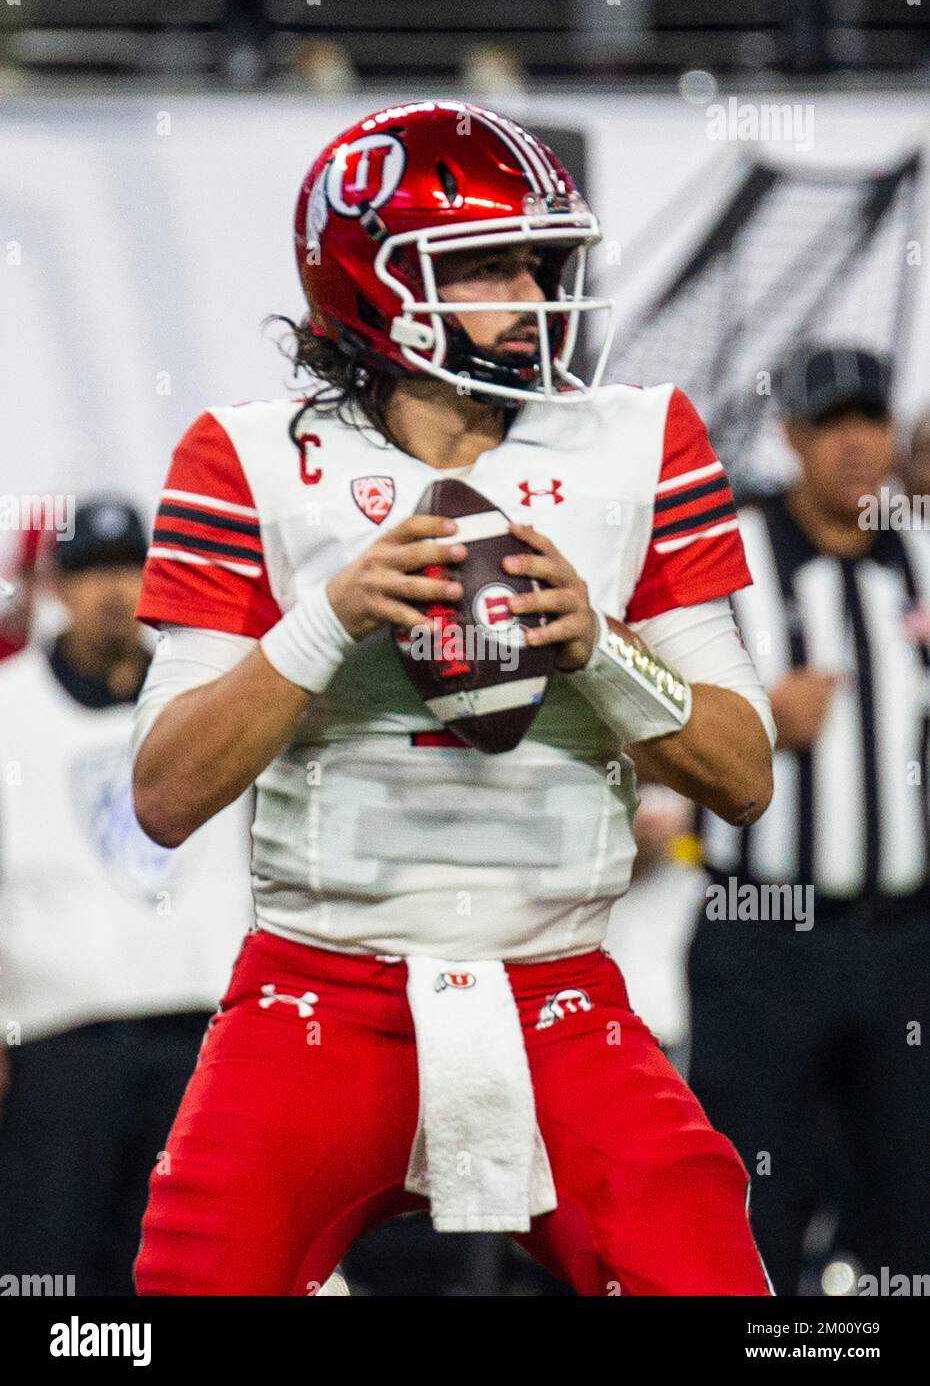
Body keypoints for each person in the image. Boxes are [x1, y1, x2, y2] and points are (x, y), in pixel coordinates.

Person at [130, 101, 776, 1297]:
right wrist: (326, 616)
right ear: (374, 282)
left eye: (540, 259)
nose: (531, 293)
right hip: (317, 990)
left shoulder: (635, 441)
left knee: (722, 1293)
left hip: (561, 987)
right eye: (489, 263)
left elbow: (744, 777)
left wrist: (600, 644)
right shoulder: (253, 459)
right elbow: (163, 795)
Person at [689, 342, 930, 1295]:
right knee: (751, 1208)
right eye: (829, 423)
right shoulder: (725, 554)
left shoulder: (917, 545)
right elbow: (631, 703)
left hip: (904, 941)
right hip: (763, 944)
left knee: (912, 1213)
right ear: (787, 435)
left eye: (869, 418)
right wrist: (751, 719)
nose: (855, 444)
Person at [0, 498, 253, 1295]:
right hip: (58, 1039)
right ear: (53, 587)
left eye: (128, 567)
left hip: (202, 1033)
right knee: (51, 1273)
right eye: (89, 572)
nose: (112, 590)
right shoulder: (8, 709)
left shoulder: (211, 696)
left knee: (194, 1270)